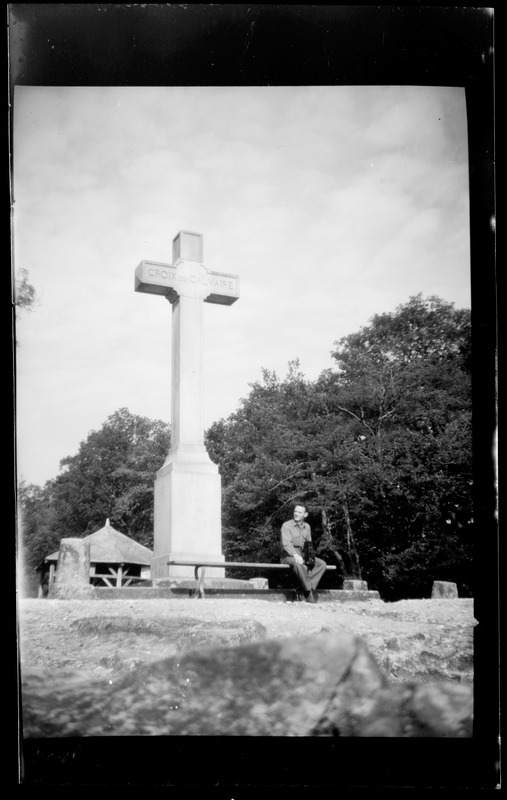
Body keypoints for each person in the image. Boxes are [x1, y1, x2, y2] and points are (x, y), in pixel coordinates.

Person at [280, 503, 327, 603]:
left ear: (305, 515)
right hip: (288, 556)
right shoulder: (286, 525)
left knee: (321, 564)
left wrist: (310, 557)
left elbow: (308, 544)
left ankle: (305, 588)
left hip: (303, 555)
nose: (296, 514)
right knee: (299, 564)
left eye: (299, 512)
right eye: (295, 511)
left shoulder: (307, 527)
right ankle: (307, 591)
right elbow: (286, 544)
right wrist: (295, 555)